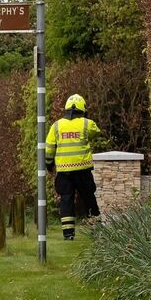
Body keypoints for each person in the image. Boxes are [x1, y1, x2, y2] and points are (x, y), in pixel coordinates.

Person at [45, 94, 102, 240]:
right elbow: (96, 132)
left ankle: (68, 234)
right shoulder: (86, 123)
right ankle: (97, 230)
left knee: (66, 200)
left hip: (64, 171)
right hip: (83, 170)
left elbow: (49, 148)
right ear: (83, 108)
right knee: (88, 197)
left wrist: (49, 164)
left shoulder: (56, 126)